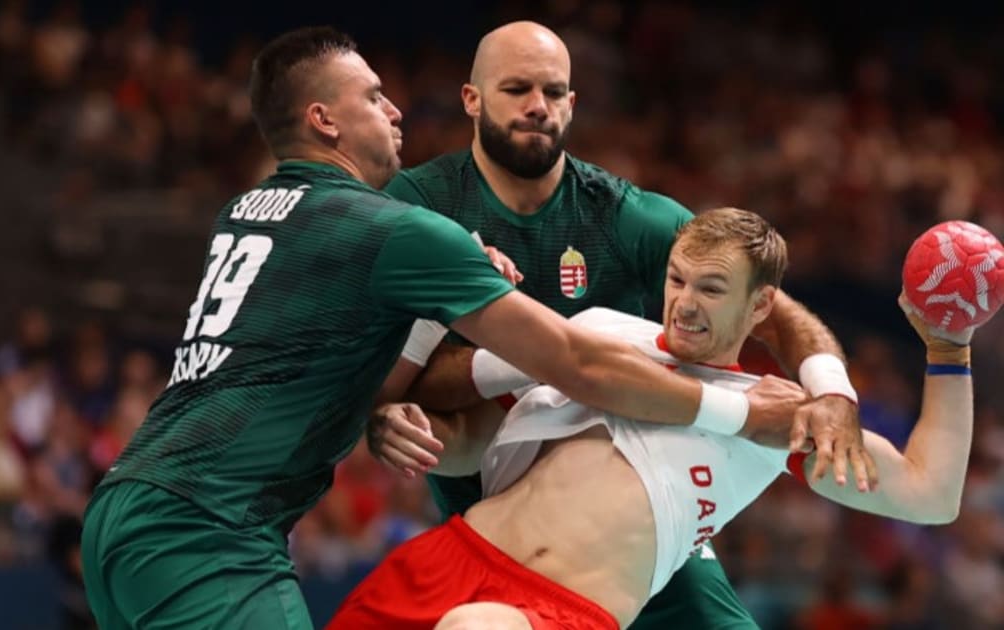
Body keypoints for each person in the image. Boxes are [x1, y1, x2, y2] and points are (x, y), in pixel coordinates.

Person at [79, 27, 804, 630]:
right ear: (324, 121)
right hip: (213, 529)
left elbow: (330, 367)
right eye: (373, 97)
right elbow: (573, 364)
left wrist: (398, 377)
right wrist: (740, 410)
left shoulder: (245, 213)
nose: (396, 111)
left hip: (124, 508)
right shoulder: (401, 227)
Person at [374, 20, 869, 629]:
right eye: (517, 89)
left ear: (573, 104)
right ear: (471, 99)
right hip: (486, 506)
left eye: (554, 93)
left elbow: (778, 312)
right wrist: (387, 409)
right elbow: (386, 369)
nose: (538, 106)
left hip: (632, 502)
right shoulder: (418, 207)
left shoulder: (625, 215)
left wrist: (834, 392)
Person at [333, 208, 982, 630]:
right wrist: (402, 422)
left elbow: (931, 493)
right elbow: (463, 424)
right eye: (677, 280)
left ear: (760, 308)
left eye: (711, 288)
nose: (684, 304)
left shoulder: (774, 414)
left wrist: (947, 350)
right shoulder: (597, 333)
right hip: (448, 558)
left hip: (553, 614)